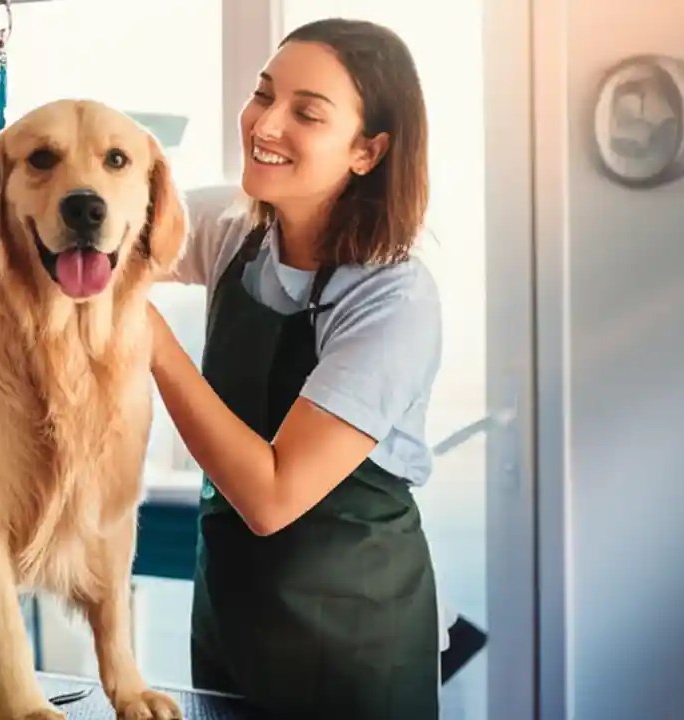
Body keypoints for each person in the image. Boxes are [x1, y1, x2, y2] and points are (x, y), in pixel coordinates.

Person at [148, 18, 443, 719]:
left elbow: (274, 495)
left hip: (355, 643)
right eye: (263, 94)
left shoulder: (391, 297)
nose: (265, 123)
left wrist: (152, 344)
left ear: (368, 151)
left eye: (307, 112)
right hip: (231, 617)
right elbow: (107, 249)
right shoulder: (232, 228)